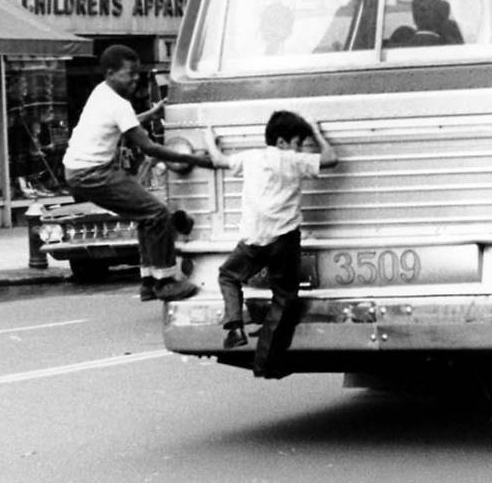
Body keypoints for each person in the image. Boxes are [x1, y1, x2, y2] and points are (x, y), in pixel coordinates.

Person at [62, 45, 212, 302]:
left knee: (146, 216)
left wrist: (152, 113)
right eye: (129, 74)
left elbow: (125, 122)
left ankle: (147, 280)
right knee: (157, 213)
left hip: (77, 171)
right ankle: (165, 281)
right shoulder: (118, 104)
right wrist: (195, 159)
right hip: (93, 173)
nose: (135, 79)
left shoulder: (101, 93)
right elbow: (149, 147)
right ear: (110, 73)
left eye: (137, 74)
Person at [203, 111, 338, 379]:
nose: (301, 148)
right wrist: (317, 133)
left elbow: (217, 160)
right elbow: (331, 159)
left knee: (228, 275)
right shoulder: (293, 160)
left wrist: (209, 137)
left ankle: (235, 326)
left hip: (253, 239)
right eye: (298, 142)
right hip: (284, 240)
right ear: (282, 142)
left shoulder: (250, 157)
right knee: (284, 298)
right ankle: (265, 363)